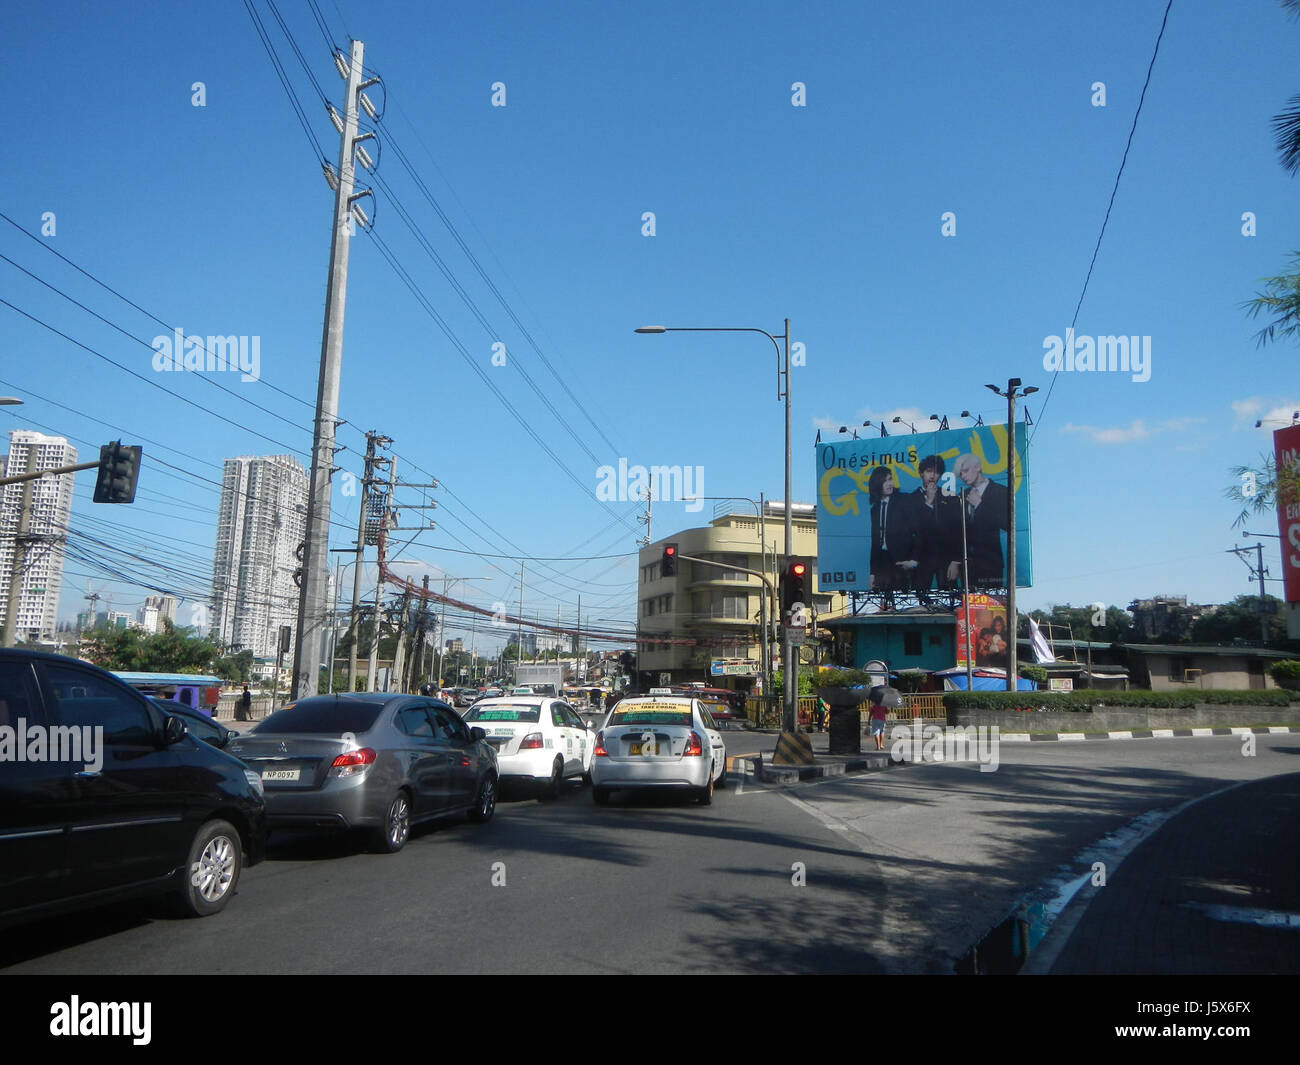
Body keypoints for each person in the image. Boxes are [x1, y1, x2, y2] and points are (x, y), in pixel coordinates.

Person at [907, 454, 962, 596]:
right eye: (929, 471)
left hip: (946, 558)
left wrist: (956, 560)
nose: (932, 476)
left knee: (952, 600)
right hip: (921, 558)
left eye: (936, 472)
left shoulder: (950, 497)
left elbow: (958, 531)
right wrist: (929, 502)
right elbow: (913, 528)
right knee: (920, 601)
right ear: (921, 473)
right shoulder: (909, 500)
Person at [953, 454, 1009, 587]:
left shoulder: (1000, 491)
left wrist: (979, 505)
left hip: (991, 561)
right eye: (961, 474)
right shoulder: (962, 495)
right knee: (969, 605)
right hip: (967, 564)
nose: (964, 477)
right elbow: (957, 531)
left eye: (966, 471)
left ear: (978, 467)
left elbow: (1007, 524)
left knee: (991, 605)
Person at [867, 466, 917, 604]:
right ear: (877, 484)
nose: (889, 484)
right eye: (885, 481)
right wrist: (872, 573)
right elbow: (875, 542)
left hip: (901, 559)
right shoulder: (875, 509)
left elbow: (918, 532)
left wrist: (913, 560)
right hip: (883, 559)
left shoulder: (903, 500)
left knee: (903, 598)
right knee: (885, 600)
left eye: (890, 479)